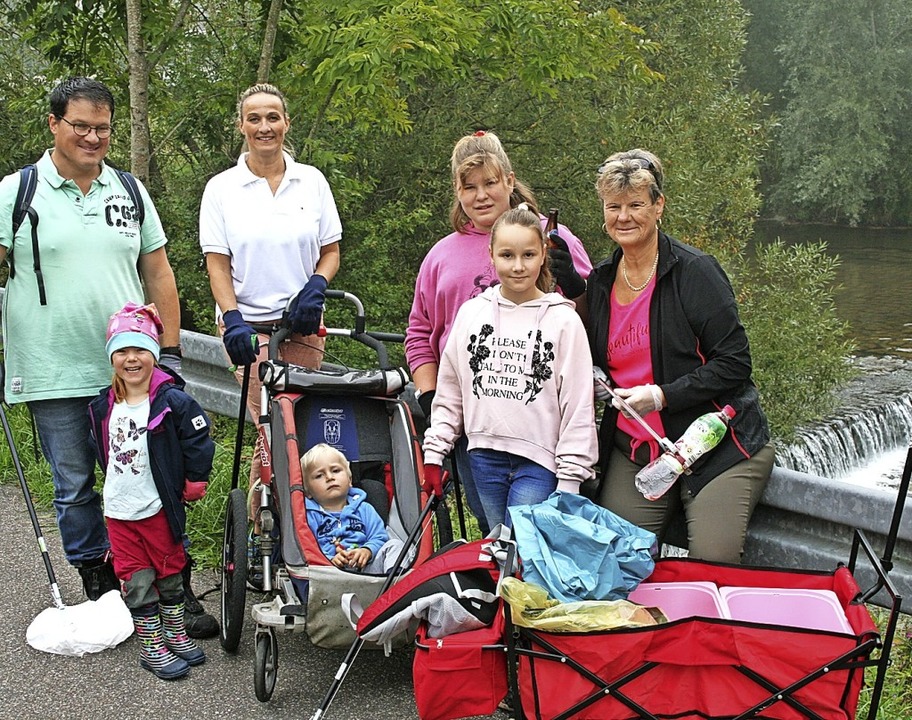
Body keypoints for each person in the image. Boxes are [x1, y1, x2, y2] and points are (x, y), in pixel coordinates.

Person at [0, 78, 210, 611]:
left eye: (102, 129)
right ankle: (103, 587)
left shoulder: (130, 191)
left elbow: (158, 272)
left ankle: (170, 585)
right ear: (54, 124)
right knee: (75, 485)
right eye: (80, 127)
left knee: (151, 477)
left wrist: (168, 351)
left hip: (132, 369)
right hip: (53, 366)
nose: (92, 138)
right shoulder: (16, 192)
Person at [584, 149, 776, 564]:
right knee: (614, 560)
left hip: (716, 444)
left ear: (658, 206)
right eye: (613, 206)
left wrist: (662, 395)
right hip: (638, 448)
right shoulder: (599, 282)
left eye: (636, 205)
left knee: (711, 564)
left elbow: (736, 363)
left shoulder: (694, 272)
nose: (624, 217)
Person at [405, 131, 592, 535]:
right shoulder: (441, 255)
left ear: (509, 179)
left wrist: (576, 286)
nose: (481, 195)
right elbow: (420, 332)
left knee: (525, 538)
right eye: (469, 187)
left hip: (539, 431)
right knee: (491, 528)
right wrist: (432, 396)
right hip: (471, 424)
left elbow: (593, 323)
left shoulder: (553, 239)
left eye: (490, 182)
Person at [199, 82, 342, 496]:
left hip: (302, 322)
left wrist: (317, 284)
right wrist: (232, 317)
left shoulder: (311, 181)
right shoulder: (222, 188)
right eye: (255, 118)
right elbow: (217, 265)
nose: (265, 126)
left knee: (303, 424)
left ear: (286, 123)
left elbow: (331, 251)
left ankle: (302, 525)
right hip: (249, 325)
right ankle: (263, 528)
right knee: (272, 425)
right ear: (242, 126)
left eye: (273, 117)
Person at [87, 302, 215, 679]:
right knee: (137, 579)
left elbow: (198, 439)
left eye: (140, 349)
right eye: (122, 350)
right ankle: (151, 646)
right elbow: (101, 448)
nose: (131, 359)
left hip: (158, 508)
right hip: (119, 512)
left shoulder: (173, 401)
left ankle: (174, 633)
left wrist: (195, 479)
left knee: (170, 573)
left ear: (155, 355)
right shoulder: (102, 405)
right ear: (112, 357)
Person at [302, 443, 404, 573]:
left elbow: (379, 537)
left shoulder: (364, 509)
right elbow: (307, 548)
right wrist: (329, 559)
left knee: (396, 545)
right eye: (319, 475)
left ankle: (397, 587)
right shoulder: (309, 516)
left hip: (368, 571)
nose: (329, 477)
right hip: (327, 574)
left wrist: (367, 550)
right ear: (307, 491)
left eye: (335, 470)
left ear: (350, 480)